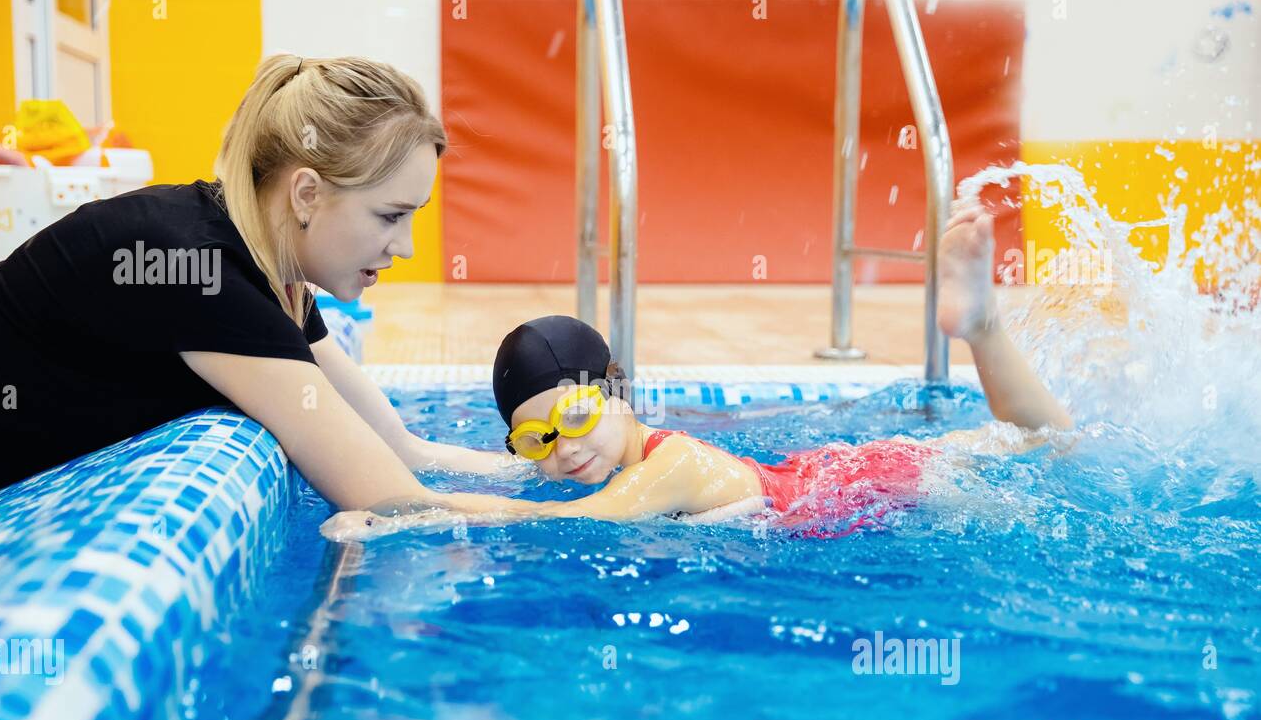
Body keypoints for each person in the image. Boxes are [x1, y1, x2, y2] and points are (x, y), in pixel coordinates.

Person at [0, 55, 524, 515]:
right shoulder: (195, 269)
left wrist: (540, 467)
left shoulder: (267, 266)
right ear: (306, 194)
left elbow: (399, 448)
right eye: (389, 216)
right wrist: (596, 513)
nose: (406, 248)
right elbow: (396, 504)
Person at [321, 204, 1076, 540]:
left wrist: (409, 512)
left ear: (616, 392)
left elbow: (565, 521)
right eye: (537, 440)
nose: (563, 448)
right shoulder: (597, 462)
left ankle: (981, 324)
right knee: (1033, 439)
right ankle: (980, 326)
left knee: (1046, 442)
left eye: (577, 417)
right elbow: (449, 456)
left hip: (875, 485)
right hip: (806, 479)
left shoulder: (670, 463)